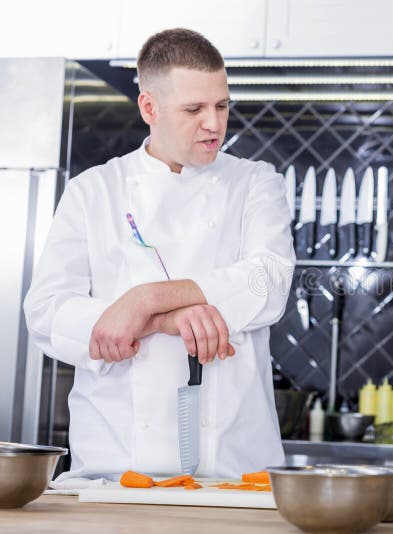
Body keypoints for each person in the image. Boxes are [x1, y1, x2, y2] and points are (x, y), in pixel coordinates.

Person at [24, 28, 295, 482]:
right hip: (115, 474)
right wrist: (167, 320)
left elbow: (267, 280)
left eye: (222, 105)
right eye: (194, 109)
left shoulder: (255, 183)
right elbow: (47, 313)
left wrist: (147, 298)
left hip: (232, 476)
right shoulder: (93, 191)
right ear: (149, 107)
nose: (214, 123)